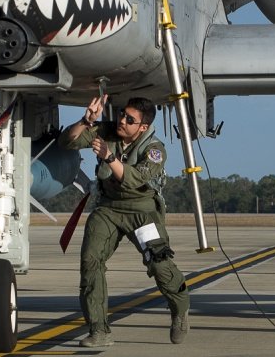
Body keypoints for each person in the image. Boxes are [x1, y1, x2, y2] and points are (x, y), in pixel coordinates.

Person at [59, 94, 190, 348]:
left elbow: (130, 179)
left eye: (130, 119)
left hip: (141, 211)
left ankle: (180, 308)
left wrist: (109, 157)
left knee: (160, 265)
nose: (122, 120)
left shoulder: (155, 151)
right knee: (90, 261)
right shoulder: (107, 131)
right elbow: (67, 142)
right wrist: (86, 121)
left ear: (143, 127)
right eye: (121, 114)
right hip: (108, 208)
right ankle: (99, 330)